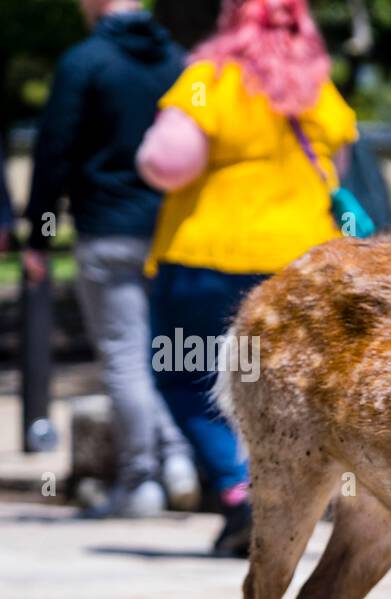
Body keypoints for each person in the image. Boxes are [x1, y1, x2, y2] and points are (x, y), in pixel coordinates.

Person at [136, 0, 359, 556]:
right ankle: (286, 491)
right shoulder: (317, 84)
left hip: (209, 254)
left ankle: (239, 489)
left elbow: (167, 160)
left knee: (184, 373)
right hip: (304, 262)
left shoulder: (209, 78)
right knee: (287, 383)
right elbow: (342, 160)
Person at [24, 0, 198, 518]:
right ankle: (180, 462)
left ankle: (142, 479)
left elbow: (54, 149)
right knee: (166, 355)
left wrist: (39, 234)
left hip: (107, 231)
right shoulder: (181, 64)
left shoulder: (84, 62)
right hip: (171, 233)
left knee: (125, 357)